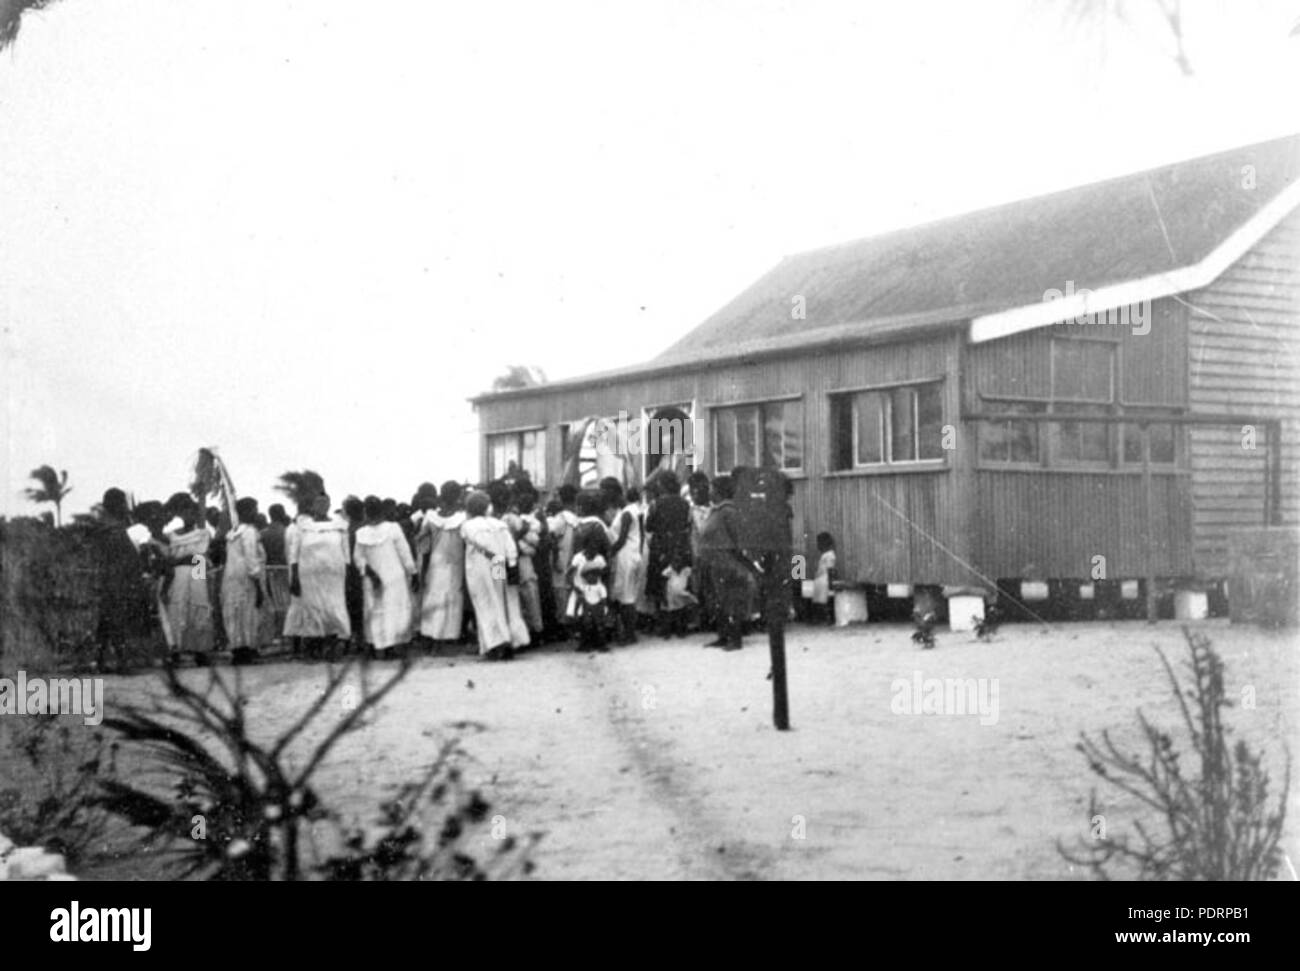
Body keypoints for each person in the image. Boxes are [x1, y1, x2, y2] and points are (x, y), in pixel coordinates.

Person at [284, 491, 352, 659]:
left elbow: (346, 552)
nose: (321, 506)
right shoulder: (303, 526)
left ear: (329, 504)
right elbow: (294, 553)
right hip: (309, 577)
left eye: (324, 503)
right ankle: (314, 648)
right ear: (313, 506)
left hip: (334, 577)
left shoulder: (340, 525)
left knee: (333, 608)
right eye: (318, 503)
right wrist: (294, 577)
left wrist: (348, 572)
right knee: (313, 608)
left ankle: (332, 645)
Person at [461, 490, 526, 661]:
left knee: (484, 603)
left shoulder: (468, 526)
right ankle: (507, 641)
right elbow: (510, 547)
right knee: (501, 600)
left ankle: (493, 645)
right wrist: (511, 563)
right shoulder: (499, 524)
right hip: (499, 563)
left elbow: (477, 544)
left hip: (480, 567)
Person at [696, 474, 757, 650]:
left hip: (727, 564)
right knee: (719, 602)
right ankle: (723, 636)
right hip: (715, 563)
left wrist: (741, 563)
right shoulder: (717, 511)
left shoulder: (729, 511)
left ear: (720, 491)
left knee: (731, 601)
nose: (709, 491)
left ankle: (735, 640)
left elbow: (739, 539)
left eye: (712, 488)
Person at [354, 494, 418, 658]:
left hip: (373, 578)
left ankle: (379, 647)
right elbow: (405, 553)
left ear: (366, 512)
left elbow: (358, 559)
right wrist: (413, 572)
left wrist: (370, 573)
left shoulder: (361, 533)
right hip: (393, 577)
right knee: (392, 611)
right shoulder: (393, 528)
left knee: (376, 611)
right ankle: (390, 648)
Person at [91, 487, 147, 671]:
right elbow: (128, 556)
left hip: (109, 578)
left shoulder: (106, 527)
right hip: (118, 579)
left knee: (106, 620)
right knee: (116, 619)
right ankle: (121, 661)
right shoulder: (116, 529)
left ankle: (101, 660)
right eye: (123, 503)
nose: (125, 507)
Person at [161, 492, 214, 665]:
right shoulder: (172, 536)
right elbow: (171, 559)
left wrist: (186, 559)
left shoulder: (203, 534)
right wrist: (185, 559)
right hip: (179, 574)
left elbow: (200, 558)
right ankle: (175, 649)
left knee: (198, 605)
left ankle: (200, 650)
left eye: (191, 511)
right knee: (178, 606)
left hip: (197, 570)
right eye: (184, 512)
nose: (188, 515)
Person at [417, 481, 466, 645]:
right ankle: (449, 637)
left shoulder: (430, 517)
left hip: (435, 562)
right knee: (452, 596)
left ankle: (432, 634)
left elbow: (424, 547)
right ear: (458, 496)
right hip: (455, 563)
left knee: (434, 596)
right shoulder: (462, 518)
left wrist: (423, 569)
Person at [223, 497, 267, 665]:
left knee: (236, 613)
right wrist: (257, 582)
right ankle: (246, 650)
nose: (256, 513)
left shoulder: (232, 533)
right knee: (248, 611)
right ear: (246, 512)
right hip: (247, 577)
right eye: (254, 509)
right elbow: (251, 558)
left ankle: (238, 649)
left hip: (232, 576)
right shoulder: (249, 532)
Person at [645, 470, 691, 631]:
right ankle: (681, 625)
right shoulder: (685, 504)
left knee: (660, 584)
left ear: (662, 485)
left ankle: (663, 625)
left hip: (660, 546)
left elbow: (648, 526)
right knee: (679, 583)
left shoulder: (656, 504)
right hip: (679, 545)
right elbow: (687, 525)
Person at [604, 481, 643, 645]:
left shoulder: (627, 513)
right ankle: (626, 632)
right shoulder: (632, 510)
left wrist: (608, 553)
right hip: (631, 555)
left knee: (626, 597)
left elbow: (620, 540)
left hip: (625, 557)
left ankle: (629, 634)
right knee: (626, 595)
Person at [568, 533, 609, 652]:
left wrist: (602, 590)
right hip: (580, 589)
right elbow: (569, 574)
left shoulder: (600, 558)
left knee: (597, 620)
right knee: (582, 618)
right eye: (591, 547)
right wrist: (575, 588)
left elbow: (605, 573)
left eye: (596, 547)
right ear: (585, 546)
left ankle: (598, 643)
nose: (594, 550)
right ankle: (585, 643)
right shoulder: (578, 557)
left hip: (596, 591)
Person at [547, 484, 580, 628]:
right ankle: (570, 620)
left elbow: (551, 535)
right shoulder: (576, 518)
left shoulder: (561, 518)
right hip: (571, 556)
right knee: (569, 588)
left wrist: (554, 557)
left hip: (560, 556)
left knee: (560, 589)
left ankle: (563, 622)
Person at [660, 549, 697, 638]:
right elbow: (663, 584)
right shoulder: (668, 571)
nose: (677, 564)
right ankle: (667, 632)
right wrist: (664, 597)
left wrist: (691, 591)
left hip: (681, 594)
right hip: (670, 595)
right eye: (675, 561)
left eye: (679, 561)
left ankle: (681, 630)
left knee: (681, 613)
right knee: (669, 614)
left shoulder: (686, 570)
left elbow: (691, 581)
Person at [812, 531, 838, 625]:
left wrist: (831, 584)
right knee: (821, 601)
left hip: (825, 580)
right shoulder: (825, 555)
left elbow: (830, 569)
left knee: (825, 600)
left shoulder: (829, 555)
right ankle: (824, 619)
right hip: (821, 580)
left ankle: (828, 620)